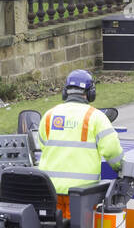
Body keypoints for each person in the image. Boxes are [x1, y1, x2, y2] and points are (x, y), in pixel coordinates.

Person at [38, 69, 123, 198]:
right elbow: (112, 150)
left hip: (50, 191)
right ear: (91, 93)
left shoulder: (49, 115)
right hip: (82, 195)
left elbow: (43, 148)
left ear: (65, 91)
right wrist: (121, 167)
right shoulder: (96, 117)